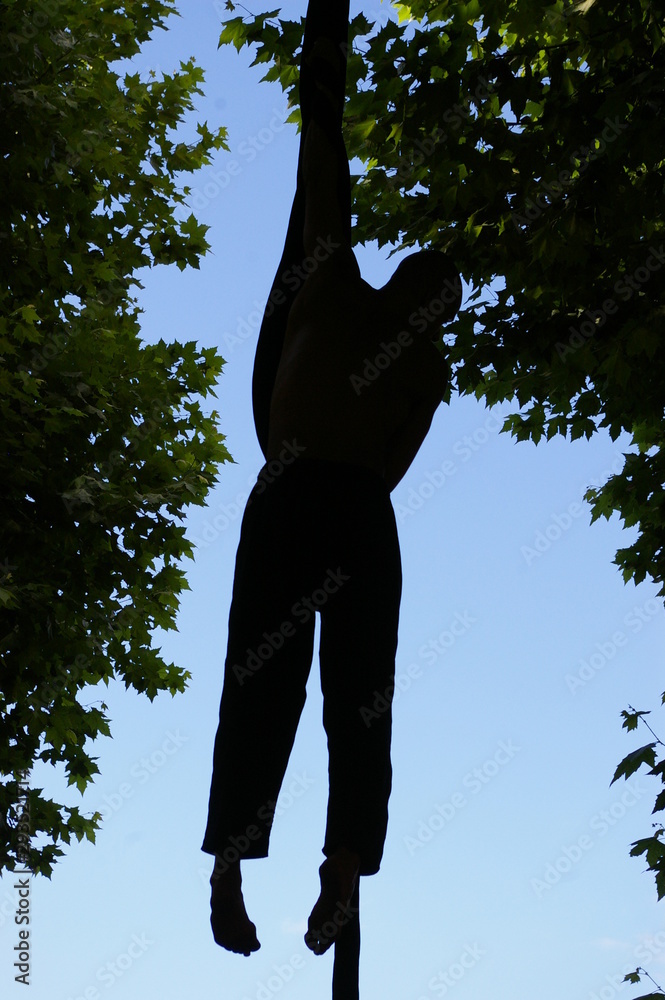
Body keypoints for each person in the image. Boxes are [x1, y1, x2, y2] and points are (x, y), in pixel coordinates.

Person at [202, 0, 462, 960]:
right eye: (438, 283)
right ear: (408, 275)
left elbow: (393, 470)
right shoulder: (332, 274)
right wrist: (325, 35)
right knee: (264, 684)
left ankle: (341, 871)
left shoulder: (421, 369)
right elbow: (323, 143)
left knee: (360, 700)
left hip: (350, 507)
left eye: (448, 302)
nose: (441, 300)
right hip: (306, 492)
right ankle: (231, 867)